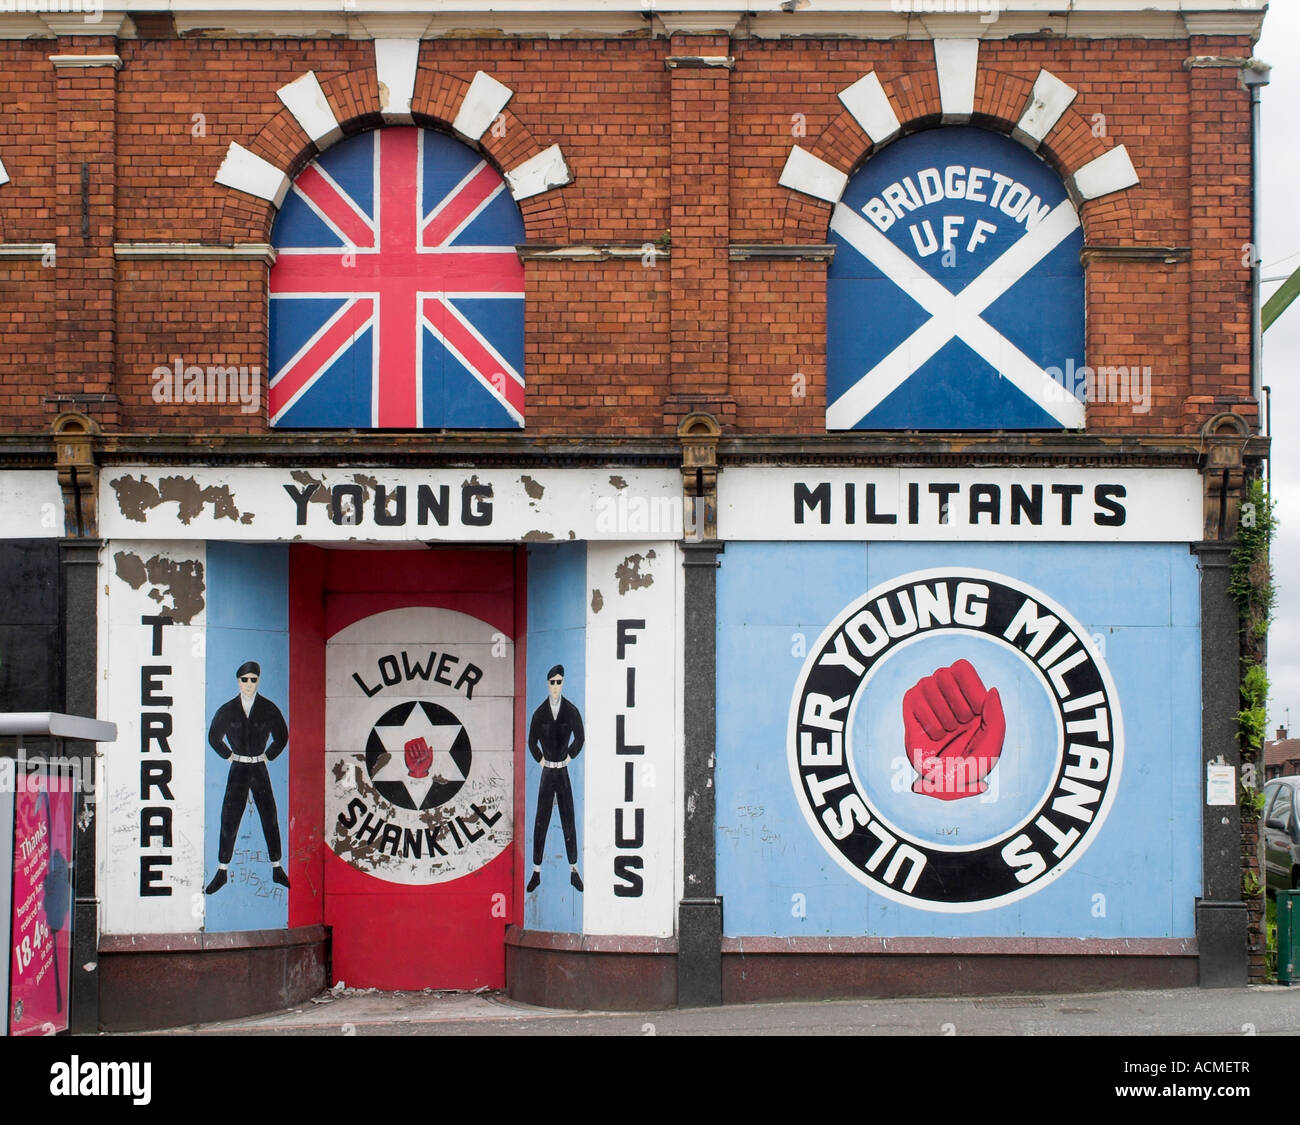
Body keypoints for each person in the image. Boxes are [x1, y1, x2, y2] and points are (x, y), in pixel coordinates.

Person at [204, 661, 290, 894]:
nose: (249, 684)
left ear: (259, 680)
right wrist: (228, 755)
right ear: (238, 681)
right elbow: (214, 737)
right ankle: (222, 871)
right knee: (229, 818)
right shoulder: (228, 708)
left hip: (260, 768)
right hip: (239, 769)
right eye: (245, 679)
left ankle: (277, 867)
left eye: (253, 679)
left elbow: (282, 736)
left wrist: (268, 756)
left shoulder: (268, 708)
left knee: (269, 816)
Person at [527, 664, 584, 893]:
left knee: (568, 819)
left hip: (562, 771)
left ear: (563, 682)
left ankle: (573, 870)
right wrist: (541, 760)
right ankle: (536, 872)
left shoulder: (571, 710)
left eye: (559, 682)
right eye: (552, 682)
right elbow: (531, 741)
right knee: (541, 820)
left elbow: (580, 737)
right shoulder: (539, 713)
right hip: (547, 772)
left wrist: (569, 757)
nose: (555, 686)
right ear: (547, 683)